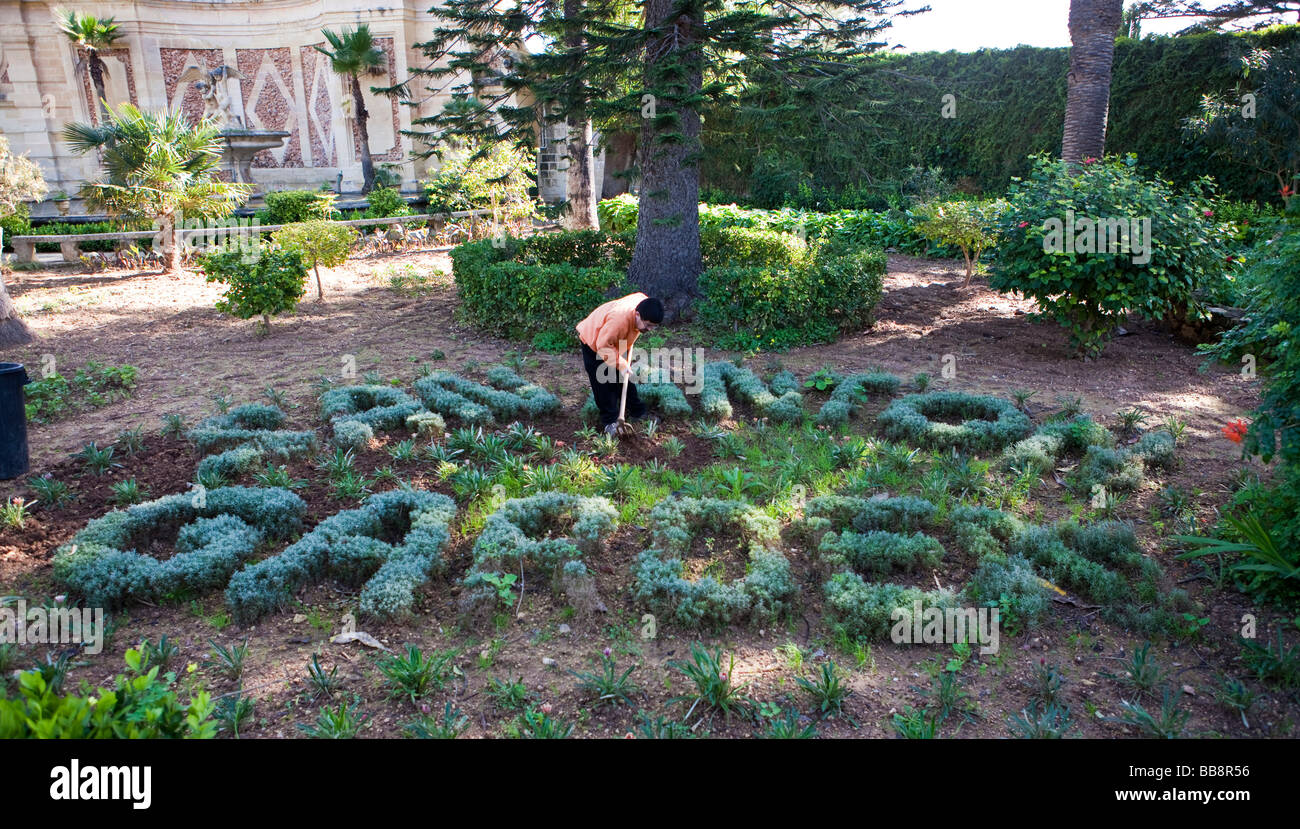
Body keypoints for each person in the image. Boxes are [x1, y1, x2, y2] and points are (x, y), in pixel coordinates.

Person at [576, 292, 663, 435]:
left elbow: (640, 296)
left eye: (653, 326)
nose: (650, 330)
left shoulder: (645, 304)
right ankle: (610, 422)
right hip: (595, 340)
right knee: (603, 383)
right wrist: (620, 364)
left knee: (624, 377)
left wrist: (622, 365)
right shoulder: (618, 320)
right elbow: (602, 346)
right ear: (637, 314)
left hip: (618, 339)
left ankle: (637, 411)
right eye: (648, 325)